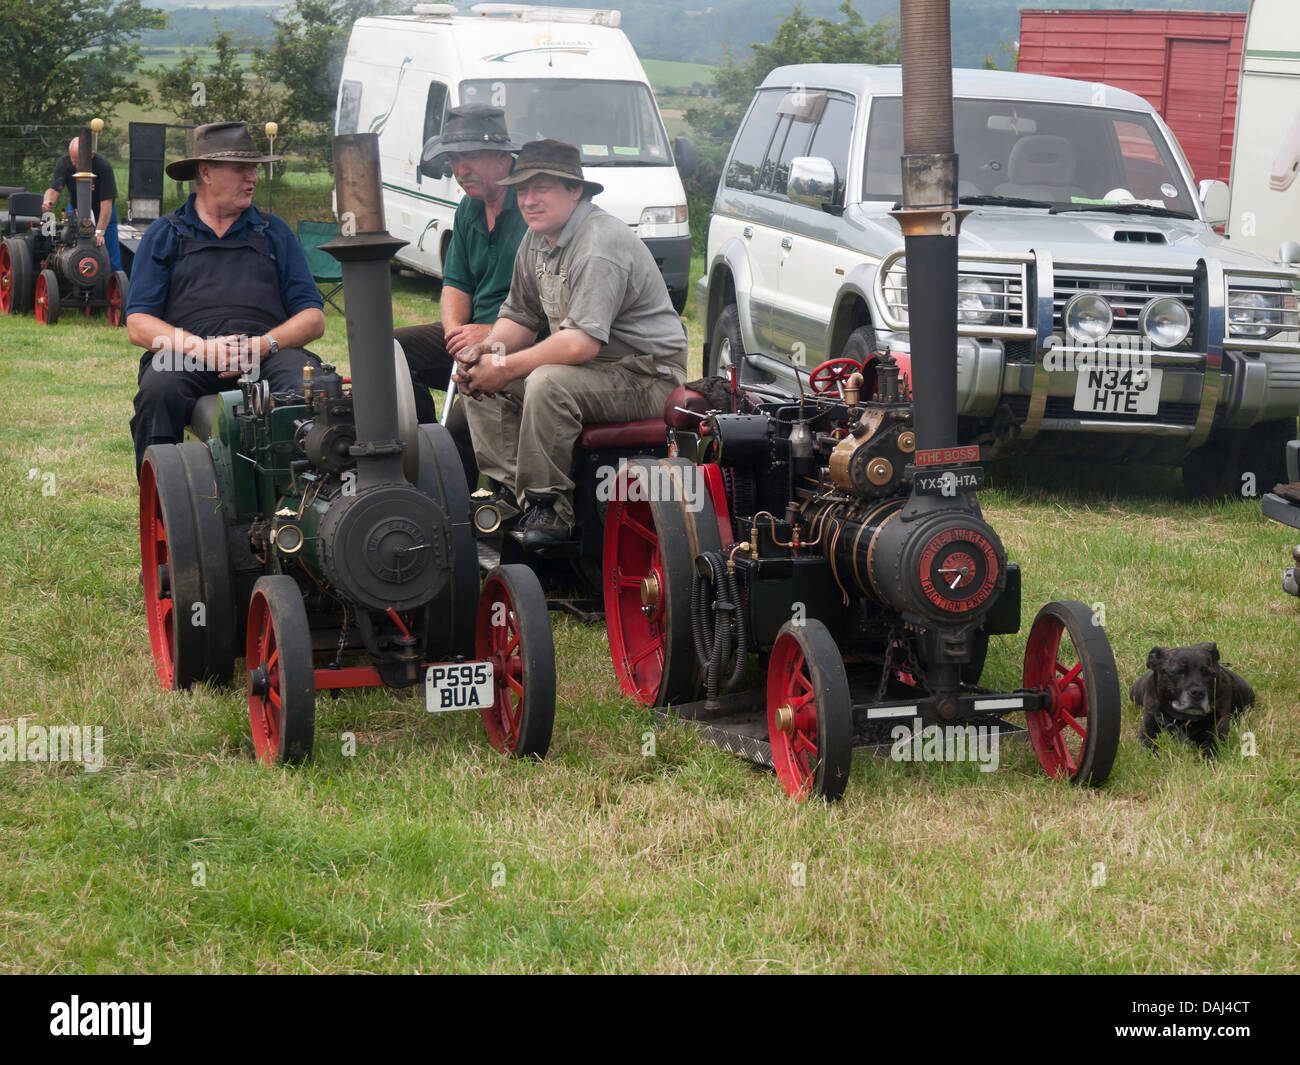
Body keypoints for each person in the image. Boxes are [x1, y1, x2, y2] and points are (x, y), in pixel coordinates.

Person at [455, 139, 687, 548]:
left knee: (545, 383)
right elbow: (519, 318)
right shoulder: (536, 240)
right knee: (479, 378)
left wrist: (507, 367)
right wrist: (485, 351)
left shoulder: (599, 243)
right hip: (596, 372)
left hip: (647, 376)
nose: (528, 200)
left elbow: (580, 345)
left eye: (541, 188)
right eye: (522, 189)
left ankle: (551, 513)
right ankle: (517, 496)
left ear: (575, 190)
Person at [125, 121, 325, 475]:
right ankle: (164, 501)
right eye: (241, 168)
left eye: (255, 169)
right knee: (159, 389)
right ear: (206, 173)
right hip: (189, 356)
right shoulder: (165, 233)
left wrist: (265, 344)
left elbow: (313, 317)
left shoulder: (273, 231)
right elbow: (139, 325)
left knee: (306, 389)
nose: (253, 178)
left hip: (267, 355)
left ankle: (302, 500)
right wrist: (200, 349)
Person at [397, 104, 527, 490]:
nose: (460, 169)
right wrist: (456, 334)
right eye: (454, 159)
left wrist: (487, 337)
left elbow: (546, 315)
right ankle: (419, 455)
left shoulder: (533, 207)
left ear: (504, 157)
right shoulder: (469, 208)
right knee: (393, 353)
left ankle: (469, 511)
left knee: (458, 427)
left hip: (520, 342)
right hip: (472, 335)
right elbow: (456, 284)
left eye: (470, 157)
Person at [42, 136, 122, 271]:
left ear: (90, 155)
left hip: (102, 209)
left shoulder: (103, 166)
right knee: (69, 243)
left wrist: (100, 232)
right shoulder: (65, 163)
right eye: (72, 160)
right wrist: (48, 202)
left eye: (78, 161)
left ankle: (116, 284)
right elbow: (54, 189)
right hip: (76, 207)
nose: (74, 164)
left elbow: (106, 203)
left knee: (110, 254)